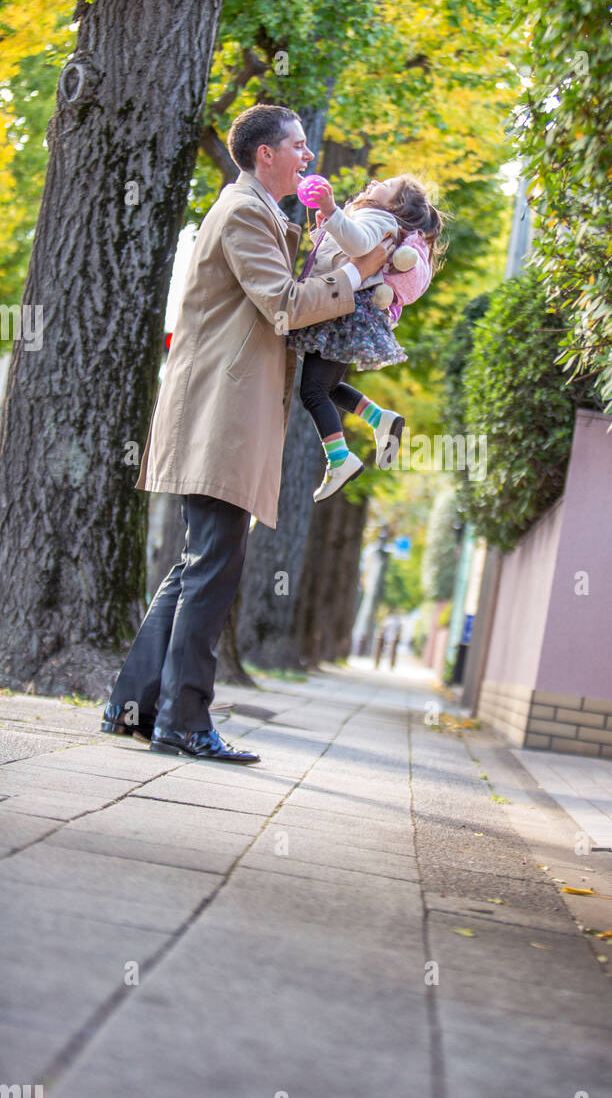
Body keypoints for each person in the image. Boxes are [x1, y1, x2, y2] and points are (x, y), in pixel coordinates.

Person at [100, 105, 387, 764]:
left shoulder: (260, 213)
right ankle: (183, 723)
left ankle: (134, 705)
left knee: (196, 566)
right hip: (220, 414)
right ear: (266, 155)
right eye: (297, 145)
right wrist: (356, 275)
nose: (307, 155)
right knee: (214, 570)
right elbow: (284, 305)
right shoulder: (243, 213)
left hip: (225, 412)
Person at [286, 174, 443, 502]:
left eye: (386, 182)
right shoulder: (374, 217)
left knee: (314, 393)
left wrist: (331, 209)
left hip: (342, 309)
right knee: (327, 388)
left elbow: (358, 245)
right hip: (346, 308)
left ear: (395, 203)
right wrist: (326, 224)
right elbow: (340, 252)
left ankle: (340, 460)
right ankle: (380, 418)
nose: (374, 180)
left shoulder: (378, 216)